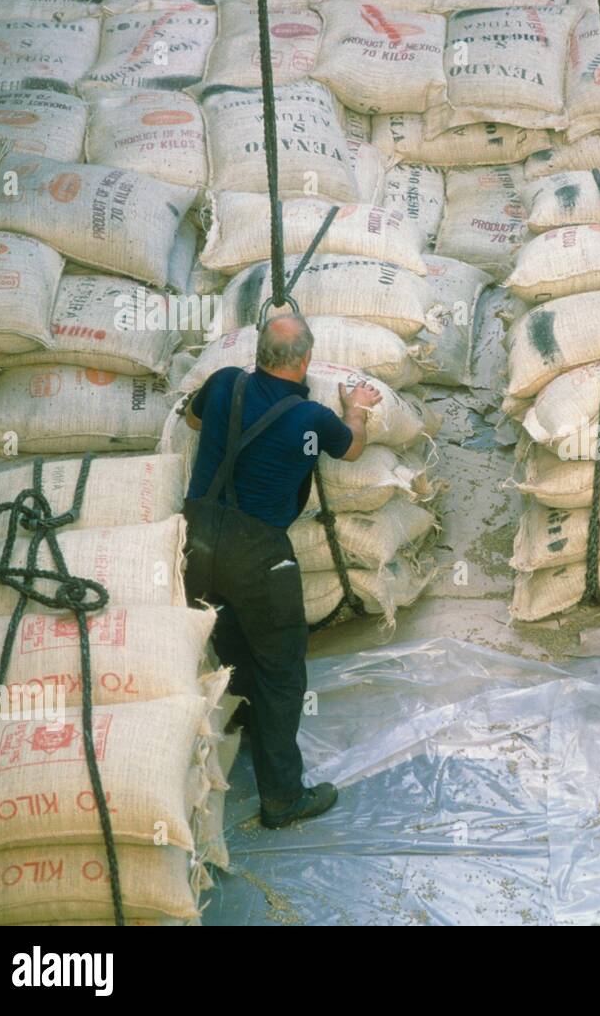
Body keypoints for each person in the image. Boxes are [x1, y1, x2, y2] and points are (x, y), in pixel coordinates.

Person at [181, 315, 380, 828]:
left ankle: (245, 716)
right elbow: (352, 448)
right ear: (306, 360)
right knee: (283, 670)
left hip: (195, 540)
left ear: (259, 353)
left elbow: (195, 423)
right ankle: (283, 799)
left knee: (228, 637)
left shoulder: (225, 382)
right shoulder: (312, 419)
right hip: (259, 554)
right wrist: (355, 410)